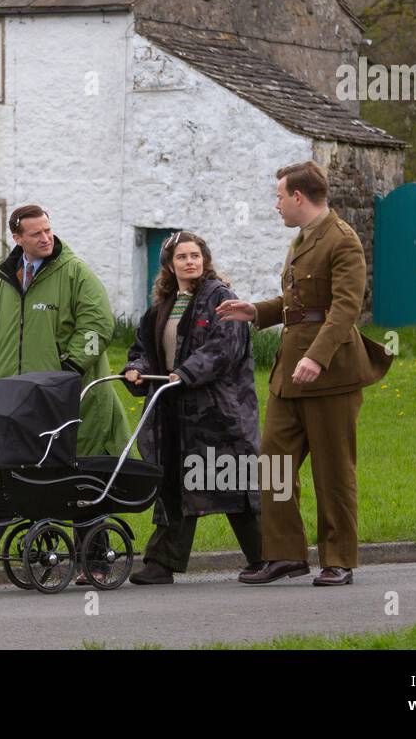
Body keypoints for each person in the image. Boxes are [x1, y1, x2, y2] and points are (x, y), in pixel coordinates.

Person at [0, 204, 128, 583]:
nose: (46, 237)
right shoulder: (0, 282)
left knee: (80, 478)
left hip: (71, 399)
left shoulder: (75, 274)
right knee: (11, 476)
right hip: (16, 403)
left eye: (48, 230)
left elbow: (98, 323)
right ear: (17, 238)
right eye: (36, 233)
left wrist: (70, 369)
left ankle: (98, 565)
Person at [217, 161, 392, 587]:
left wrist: (318, 356)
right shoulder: (302, 240)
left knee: (333, 470)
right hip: (289, 373)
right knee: (273, 463)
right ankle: (284, 554)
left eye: (279, 197)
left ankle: (338, 560)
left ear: (298, 197)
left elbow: (344, 307)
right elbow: (299, 301)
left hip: (330, 374)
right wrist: (255, 311)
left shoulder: (342, 240)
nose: (275, 205)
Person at [122, 231, 263, 584]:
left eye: (195, 255)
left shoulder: (221, 298)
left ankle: (267, 557)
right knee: (173, 483)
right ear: (170, 265)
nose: (190, 262)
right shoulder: (162, 307)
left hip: (219, 411)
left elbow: (223, 348)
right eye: (182, 257)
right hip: (172, 409)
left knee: (234, 483)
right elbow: (143, 348)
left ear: (205, 259)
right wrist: (136, 369)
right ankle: (161, 563)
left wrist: (185, 373)